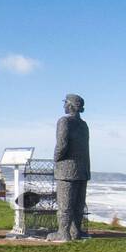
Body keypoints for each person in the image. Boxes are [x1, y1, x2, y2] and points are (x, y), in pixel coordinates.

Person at [52, 94, 91, 242]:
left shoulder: (64, 121)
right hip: (82, 170)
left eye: (65, 103)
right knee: (78, 204)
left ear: (70, 105)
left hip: (67, 169)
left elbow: (62, 145)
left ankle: (63, 233)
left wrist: (56, 158)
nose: (63, 106)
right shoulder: (84, 125)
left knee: (65, 204)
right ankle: (76, 232)